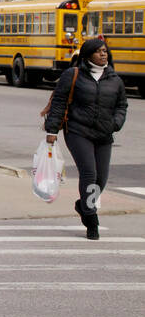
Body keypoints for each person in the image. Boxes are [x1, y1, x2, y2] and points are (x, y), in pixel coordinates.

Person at [44, 36, 128, 240]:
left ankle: (83, 205)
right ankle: (91, 220)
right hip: (77, 131)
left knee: (101, 179)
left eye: (105, 51)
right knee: (89, 174)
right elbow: (59, 102)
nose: (103, 54)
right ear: (88, 54)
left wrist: (116, 123)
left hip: (104, 134)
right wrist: (52, 130)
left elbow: (121, 106)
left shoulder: (115, 79)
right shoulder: (73, 75)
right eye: (98, 51)